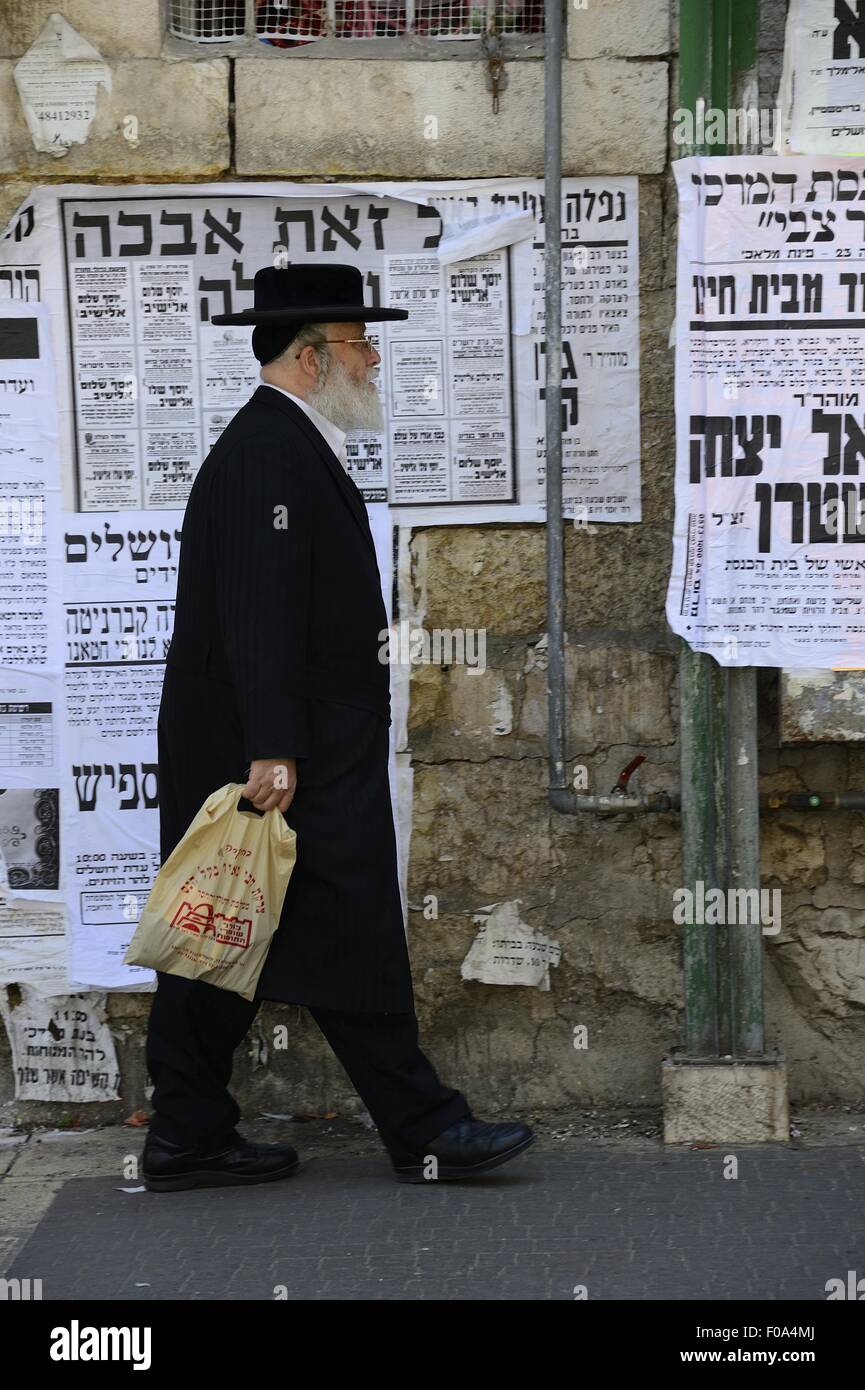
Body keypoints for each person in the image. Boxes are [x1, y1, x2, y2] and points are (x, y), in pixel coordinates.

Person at [141, 263, 535, 1191]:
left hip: (293, 744)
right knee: (327, 931)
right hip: (289, 751)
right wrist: (273, 747)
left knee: (223, 939)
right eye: (360, 343)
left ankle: (188, 1135)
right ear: (311, 357)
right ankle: (426, 1132)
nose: (374, 357)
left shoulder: (283, 443)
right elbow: (259, 612)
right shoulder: (269, 453)